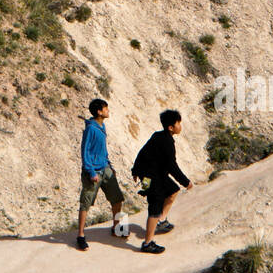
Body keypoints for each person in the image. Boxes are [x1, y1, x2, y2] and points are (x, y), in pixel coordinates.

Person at [131, 109, 193, 255]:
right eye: (178, 123)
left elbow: (142, 152)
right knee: (155, 206)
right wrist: (186, 182)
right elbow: (172, 166)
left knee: (172, 190)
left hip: (153, 174)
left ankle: (161, 220)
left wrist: (135, 170)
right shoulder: (166, 142)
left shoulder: (159, 136)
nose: (180, 126)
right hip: (149, 177)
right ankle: (147, 243)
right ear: (171, 127)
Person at [76, 97, 124, 251]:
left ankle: (117, 228)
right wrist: (91, 172)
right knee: (86, 203)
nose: (108, 111)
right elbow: (85, 151)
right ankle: (81, 235)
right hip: (94, 171)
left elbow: (102, 150)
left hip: (105, 168)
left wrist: (110, 165)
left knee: (117, 198)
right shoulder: (91, 128)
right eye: (106, 108)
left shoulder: (102, 127)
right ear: (99, 111)